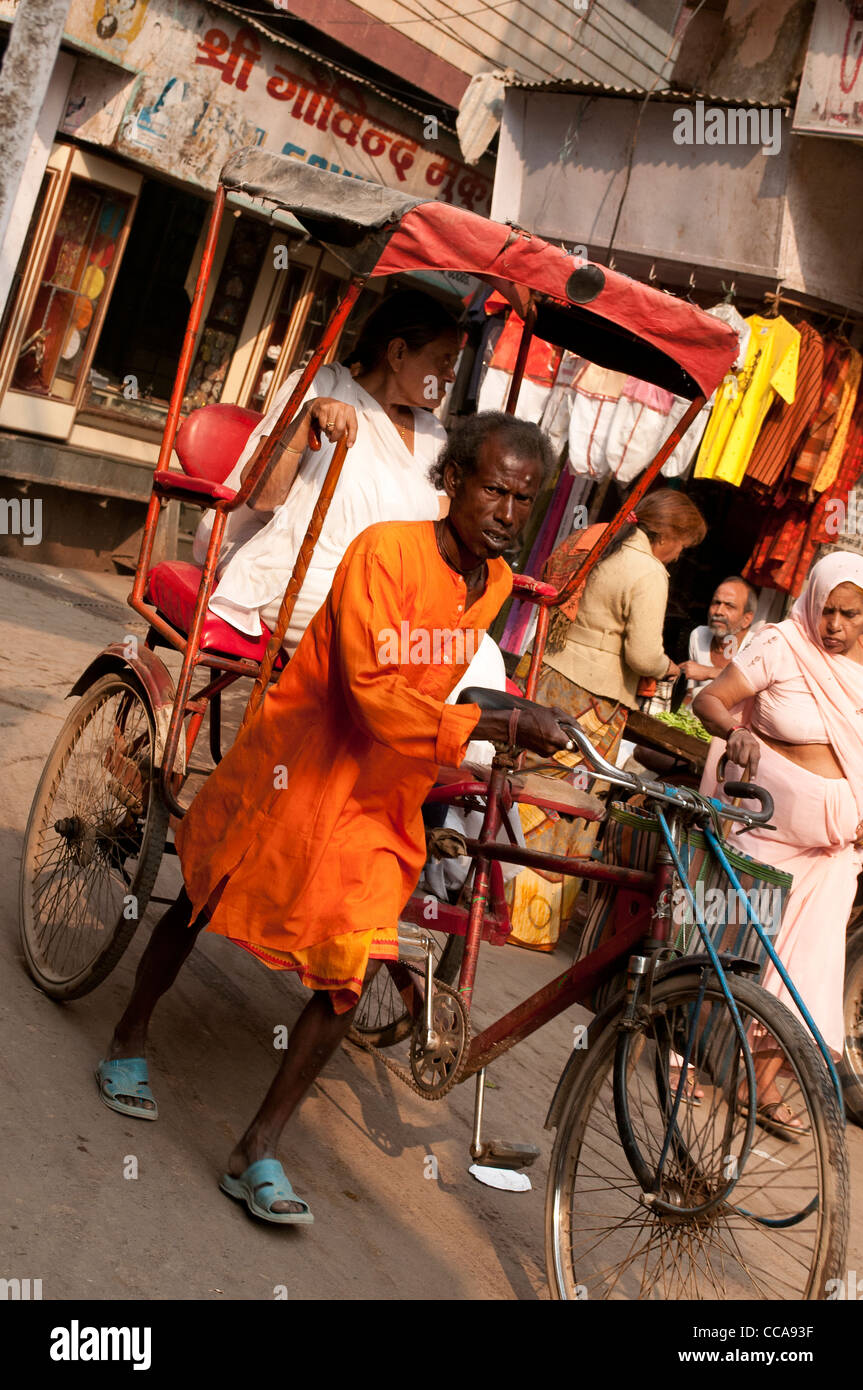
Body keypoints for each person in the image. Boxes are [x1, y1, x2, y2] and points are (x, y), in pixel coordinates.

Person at [95, 413, 571, 1223]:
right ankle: (129, 1035)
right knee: (207, 893)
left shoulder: (491, 583)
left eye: (523, 499)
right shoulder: (385, 552)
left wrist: (513, 718)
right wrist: (488, 726)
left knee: (349, 973)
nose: (506, 511)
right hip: (302, 763)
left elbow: (435, 687)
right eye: (493, 488)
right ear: (452, 479)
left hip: (384, 794)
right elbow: (369, 691)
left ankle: (257, 1147)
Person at [694, 551, 863, 1139]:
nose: (835, 625)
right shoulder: (781, 646)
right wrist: (735, 733)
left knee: (803, 967)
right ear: (812, 601)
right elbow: (708, 700)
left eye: (850, 614)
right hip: (764, 833)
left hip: (830, 853)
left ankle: (757, 1088)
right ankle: (686, 1057)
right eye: (829, 610)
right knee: (738, 950)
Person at [194, 289, 461, 654]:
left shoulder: (434, 434)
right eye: (444, 360)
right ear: (398, 353)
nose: (450, 375)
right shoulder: (318, 387)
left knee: (466, 652)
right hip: (300, 573)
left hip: (393, 591)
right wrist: (306, 419)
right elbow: (261, 497)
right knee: (389, 647)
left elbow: (441, 525)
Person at [506, 488, 708, 951]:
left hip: (545, 674)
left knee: (525, 784)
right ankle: (526, 922)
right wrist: (666, 667)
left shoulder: (594, 538)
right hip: (592, 699)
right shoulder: (648, 571)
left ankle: (490, 896)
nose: (678, 557)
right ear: (667, 535)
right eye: (681, 546)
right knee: (567, 806)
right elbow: (641, 653)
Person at [680, 575, 758, 700]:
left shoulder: (756, 645)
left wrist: (709, 672)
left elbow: (755, 687)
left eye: (729, 606)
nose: (719, 611)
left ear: (746, 619)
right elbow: (690, 693)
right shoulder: (698, 636)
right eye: (716, 603)